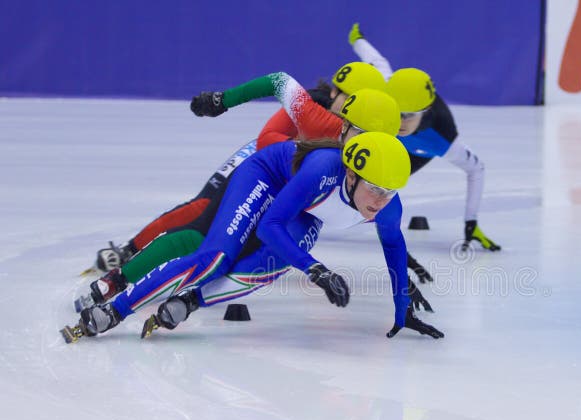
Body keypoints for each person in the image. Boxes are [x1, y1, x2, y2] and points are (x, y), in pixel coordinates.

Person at [80, 70, 434, 312]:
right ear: (344, 122)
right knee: (203, 220)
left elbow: (382, 217)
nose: (364, 148)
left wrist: (401, 275)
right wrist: (223, 100)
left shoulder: (376, 156)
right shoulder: (320, 120)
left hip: (301, 185)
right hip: (268, 162)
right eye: (357, 134)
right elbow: (278, 85)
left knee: (247, 247)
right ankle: (126, 263)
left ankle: (185, 292)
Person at [62, 130, 444, 342]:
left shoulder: (387, 207)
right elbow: (269, 226)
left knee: (272, 264)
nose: (380, 201)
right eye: (375, 189)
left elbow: (394, 248)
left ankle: (191, 300)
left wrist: (402, 309)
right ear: (351, 174)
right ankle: (115, 310)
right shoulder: (322, 170)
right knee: (215, 258)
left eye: (390, 192)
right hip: (264, 178)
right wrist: (317, 270)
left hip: (306, 209)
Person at [91, 62, 387, 273]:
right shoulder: (316, 112)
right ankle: (130, 250)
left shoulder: (375, 142)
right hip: (268, 159)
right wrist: (223, 101)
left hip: (297, 173)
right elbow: (267, 138)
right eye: (338, 92)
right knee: (203, 209)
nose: (337, 98)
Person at [348, 23, 502, 252]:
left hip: (418, 151)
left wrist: (471, 221)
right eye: (397, 112)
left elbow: (476, 169)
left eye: (408, 115)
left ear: (425, 112)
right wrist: (357, 40)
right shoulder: (387, 86)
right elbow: (377, 61)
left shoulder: (442, 138)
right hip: (401, 141)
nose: (400, 122)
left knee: (378, 184)